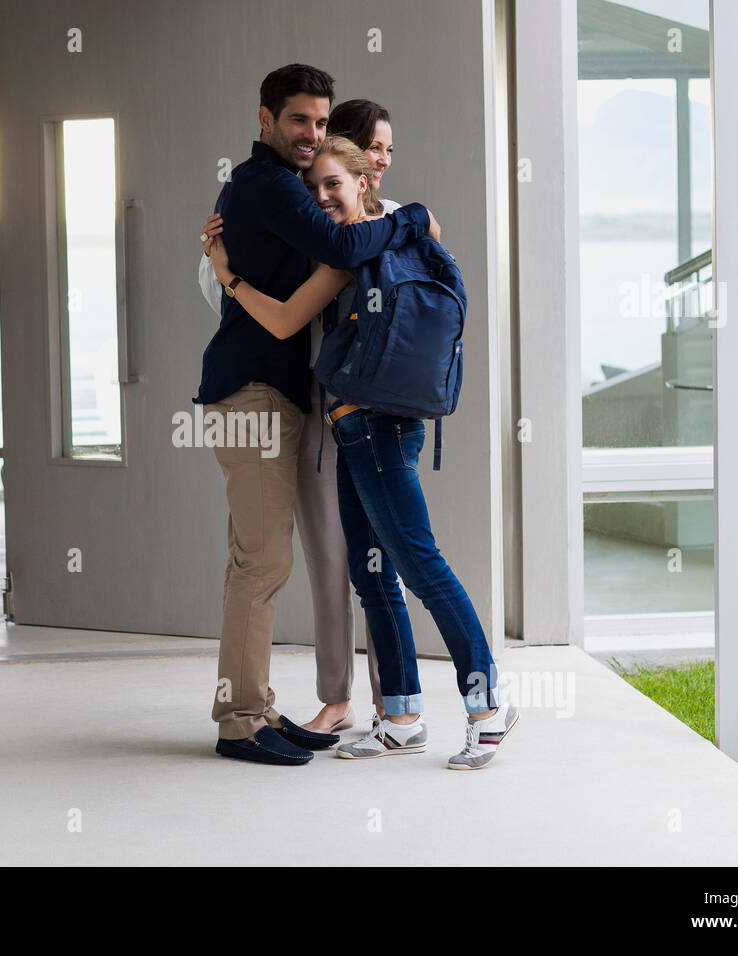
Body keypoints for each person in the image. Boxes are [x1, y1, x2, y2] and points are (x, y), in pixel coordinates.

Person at [203, 135, 518, 771]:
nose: (321, 197)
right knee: (372, 576)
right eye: (312, 189)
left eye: (333, 185)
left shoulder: (357, 248)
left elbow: (284, 321)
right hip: (356, 430)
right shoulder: (376, 237)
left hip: (380, 430)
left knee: (420, 565)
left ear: (364, 183)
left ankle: (489, 705)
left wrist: (227, 273)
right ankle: (400, 717)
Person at [193, 65, 439, 766]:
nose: (310, 133)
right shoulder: (269, 185)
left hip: (278, 397)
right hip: (253, 394)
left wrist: (230, 273)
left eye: (320, 121)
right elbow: (339, 250)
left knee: (261, 560)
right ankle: (241, 721)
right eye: (298, 119)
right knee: (262, 562)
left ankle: (257, 707)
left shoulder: (275, 188)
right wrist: (413, 217)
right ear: (266, 118)